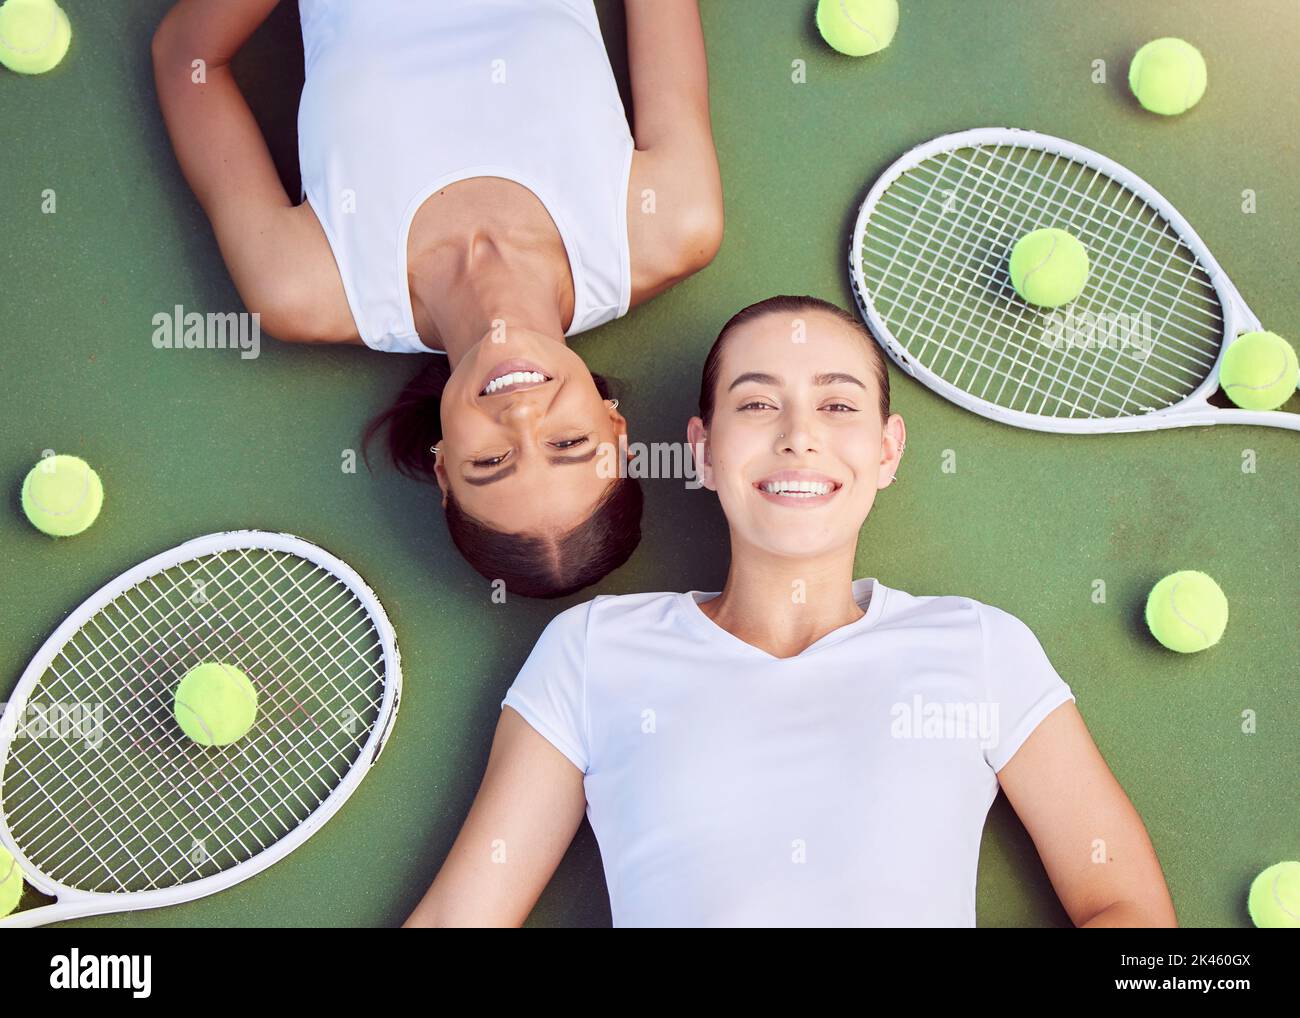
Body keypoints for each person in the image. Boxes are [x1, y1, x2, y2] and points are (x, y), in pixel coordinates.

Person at [403, 295, 1178, 927]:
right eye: (758, 403)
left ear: (886, 450)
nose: (800, 436)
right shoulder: (592, 653)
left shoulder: (980, 647)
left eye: (838, 404)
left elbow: (1126, 907)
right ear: (703, 451)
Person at [152, 0, 723, 597]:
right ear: (614, 427)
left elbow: (187, 58)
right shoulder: (669, 225)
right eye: (568, 443)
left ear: (444, 465)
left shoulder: (304, 285)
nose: (523, 417)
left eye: (492, 462)